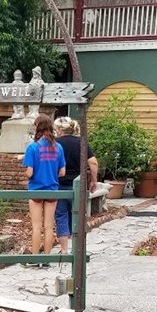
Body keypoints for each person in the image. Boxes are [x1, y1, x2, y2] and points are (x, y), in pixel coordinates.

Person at [22, 114, 65, 267]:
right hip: (52, 189)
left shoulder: (33, 147)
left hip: (36, 190)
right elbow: (62, 172)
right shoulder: (58, 147)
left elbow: (30, 172)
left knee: (36, 226)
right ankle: (47, 259)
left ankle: (34, 259)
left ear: (37, 128)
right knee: (49, 226)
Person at [54, 117, 99, 254]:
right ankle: (78, 249)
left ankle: (64, 249)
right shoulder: (81, 142)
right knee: (78, 216)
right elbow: (93, 162)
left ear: (60, 129)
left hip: (59, 184)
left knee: (61, 215)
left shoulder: (55, 143)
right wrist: (93, 180)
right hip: (78, 185)